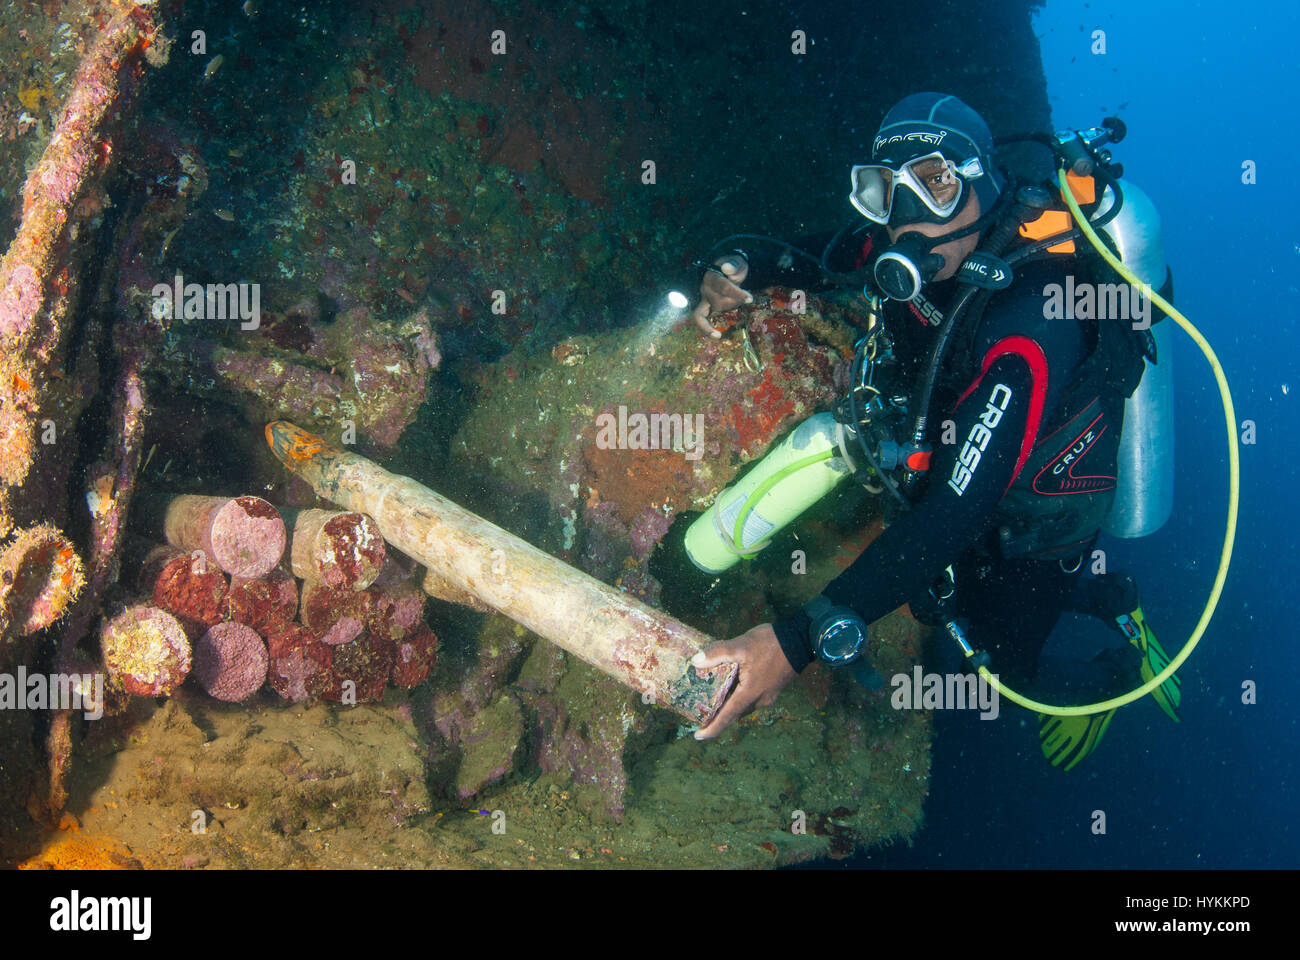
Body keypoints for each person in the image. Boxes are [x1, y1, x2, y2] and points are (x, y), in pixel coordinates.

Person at [687, 93, 1181, 769]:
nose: (908, 215)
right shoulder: (905, 247)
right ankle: (1103, 595)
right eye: (885, 190)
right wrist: (742, 265)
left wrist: (798, 641)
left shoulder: (1039, 308)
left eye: (937, 183)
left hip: (1035, 521)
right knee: (940, 597)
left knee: (1002, 675)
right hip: (963, 463)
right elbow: (825, 256)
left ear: (983, 182)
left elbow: (960, 508)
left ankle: (1117, 669)